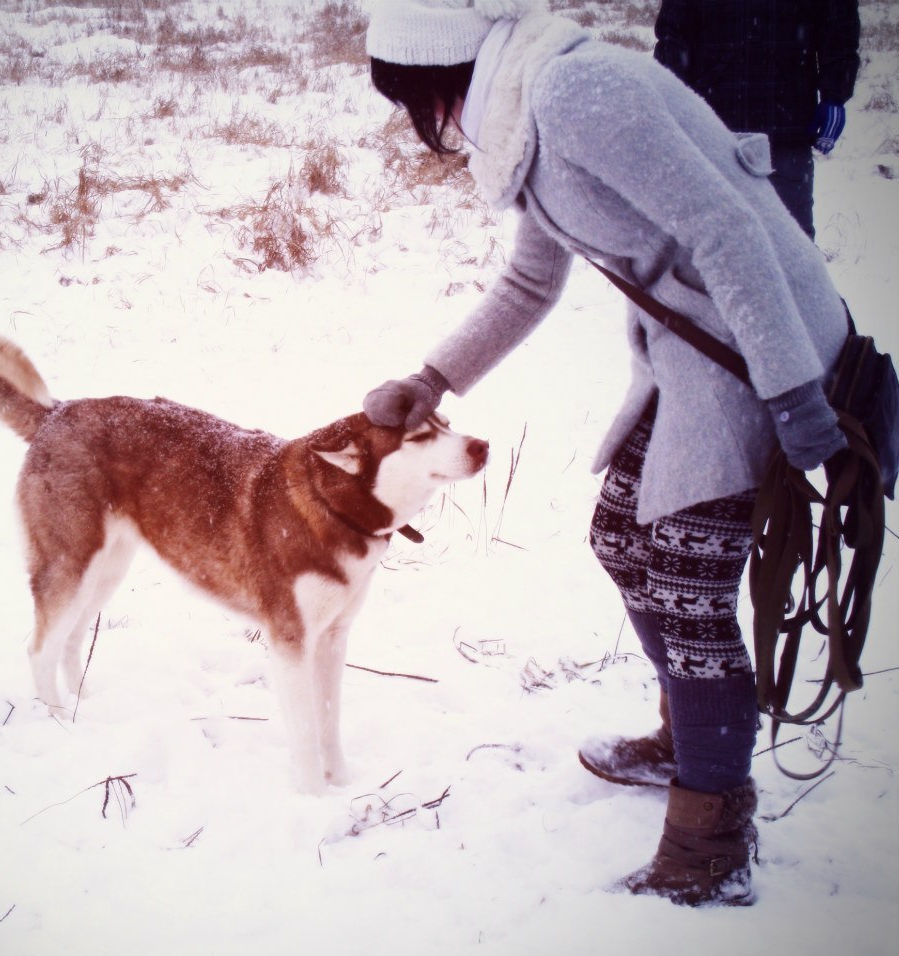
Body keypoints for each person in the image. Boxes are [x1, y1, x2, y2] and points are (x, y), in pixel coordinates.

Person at [361, 0, 850, 907]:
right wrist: (432, 380)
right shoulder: (520, 110)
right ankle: (687, 735)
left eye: (411, 101)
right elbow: (528, 279)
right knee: (622, 539)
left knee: (684, 584)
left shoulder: (573, 92)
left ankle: (711, 837)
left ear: (438, 76)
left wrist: (791, 390)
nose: (416, 124)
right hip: (698, 351)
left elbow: (728, 228)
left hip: (760, 347)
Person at [654, 0, 861, 239]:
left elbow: (839, 27)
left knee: (791, 245)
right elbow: (673, 36)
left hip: (785, 129)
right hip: (713, 129)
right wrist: (670, 98)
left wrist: (834, 94)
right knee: (711, 243)